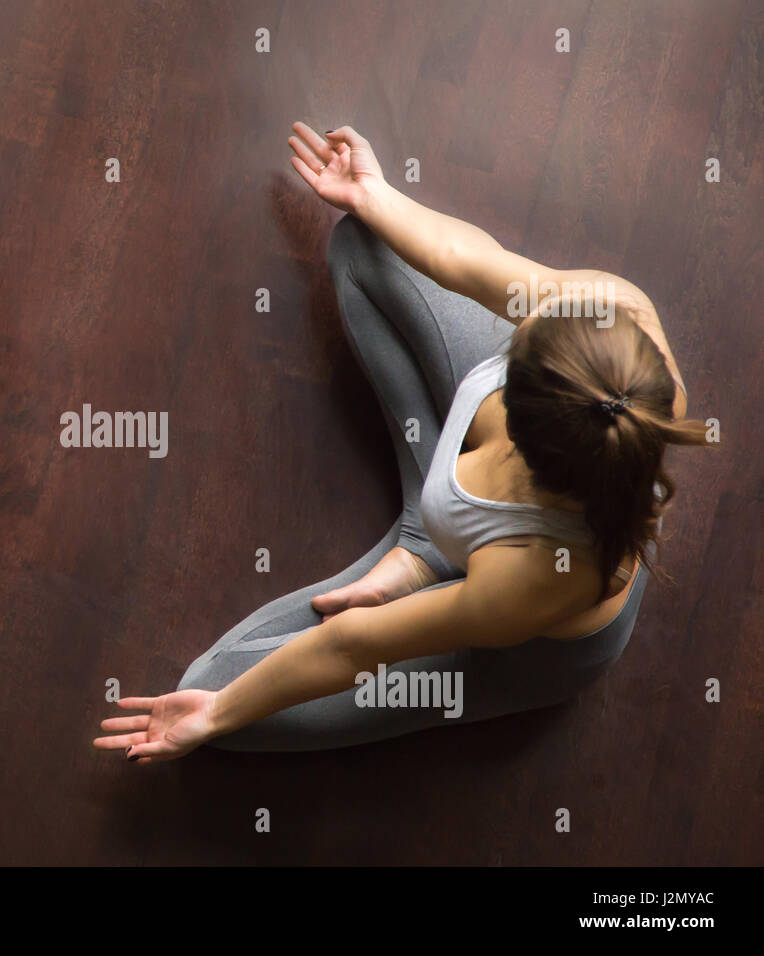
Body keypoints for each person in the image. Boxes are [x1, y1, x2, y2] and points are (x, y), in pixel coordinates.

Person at [93, 122, 711, 761]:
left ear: (522, 433)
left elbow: (353, 647)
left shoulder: (535, 579)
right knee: (363, 243)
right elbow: (467, 263)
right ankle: (428, 542)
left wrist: (218, 713)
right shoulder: (614, 314)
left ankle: (433, 556)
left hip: (519, 627)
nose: (518, 320)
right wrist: (374, 193)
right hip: (499, 517)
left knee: (205, 688)